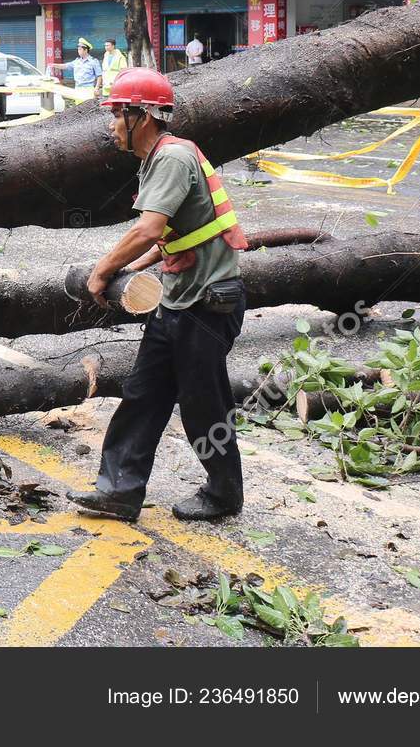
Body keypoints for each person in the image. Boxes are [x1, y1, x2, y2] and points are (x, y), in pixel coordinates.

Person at [69, 69, 250, 523]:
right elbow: (175, 233)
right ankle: (118, 493)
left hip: (208, 304)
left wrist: (103, 269)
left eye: (116, 115)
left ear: (141, 116)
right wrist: (135, 268)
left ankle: (224, 494)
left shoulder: (170, 158)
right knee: (142, 395)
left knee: (204, 405)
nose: (111, 125)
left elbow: (147, 227)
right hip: (177, 302)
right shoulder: (160, 159)